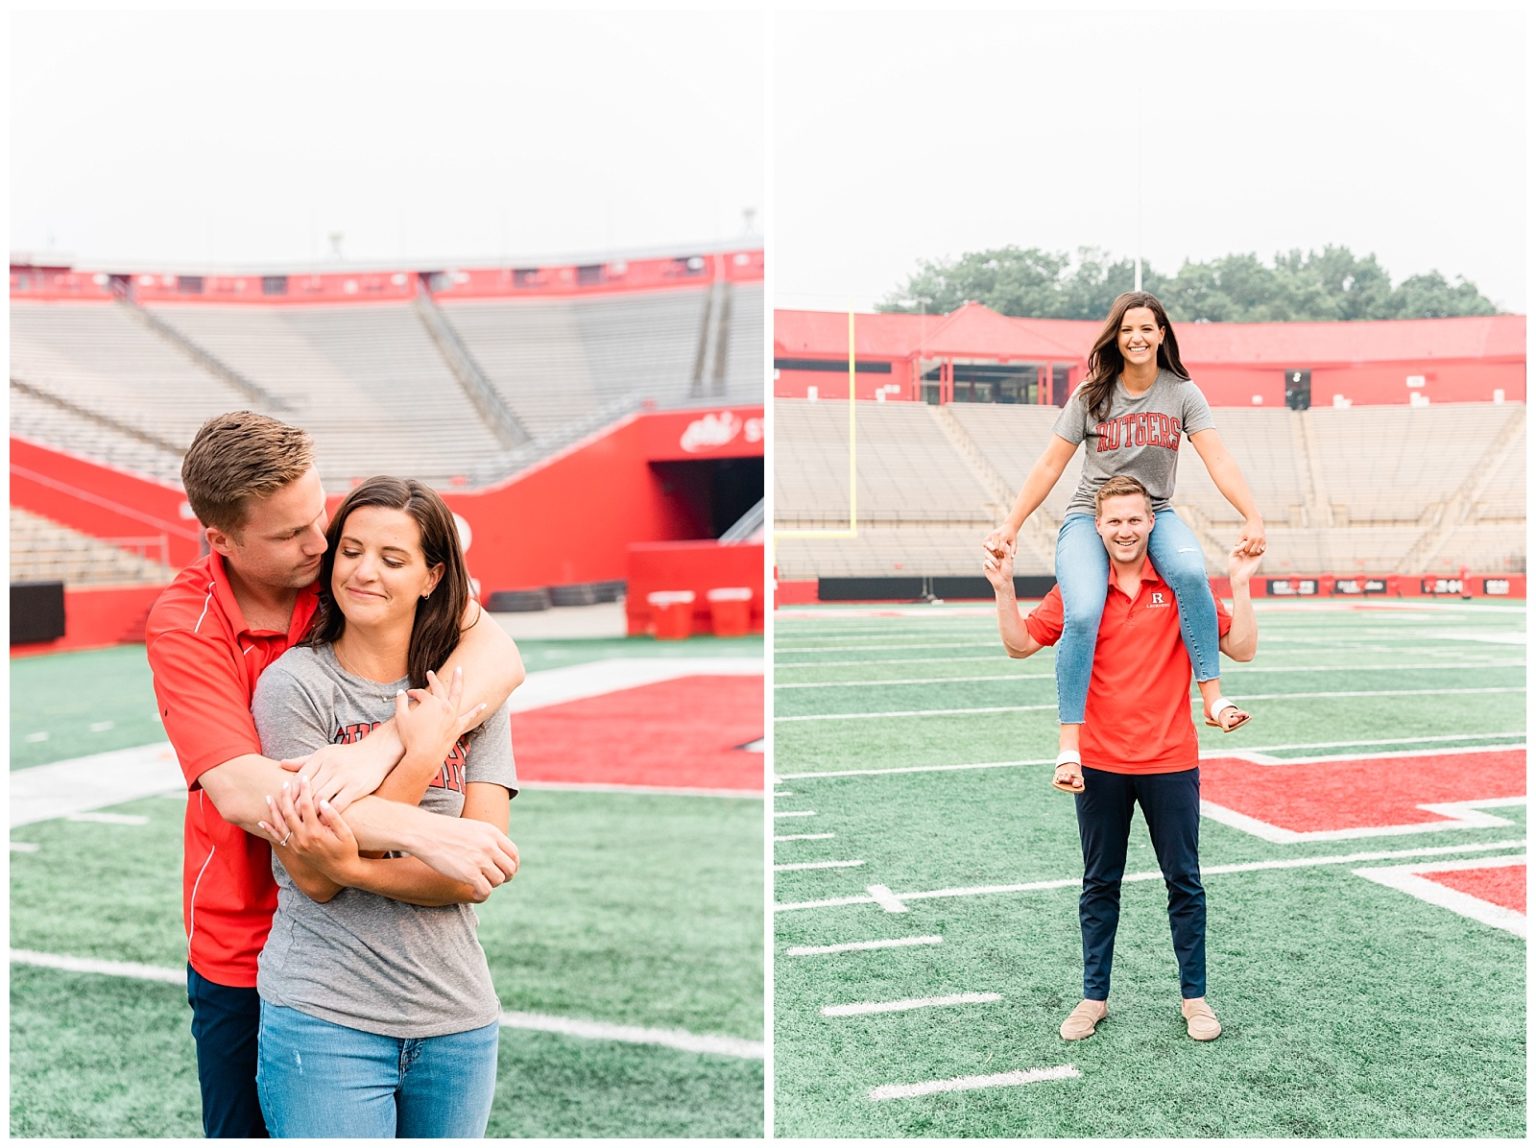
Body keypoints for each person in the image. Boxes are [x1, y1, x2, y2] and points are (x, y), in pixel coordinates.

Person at [146, 412, 525, 1138]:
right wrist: (424, 831)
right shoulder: (187, 623)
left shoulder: (346, 575)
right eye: (290, 535)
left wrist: (379, 747)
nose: (320, 546)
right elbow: (241, 787)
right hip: (247, 938)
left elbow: (497, 654)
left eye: (317, 516)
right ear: (221, 541)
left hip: (406, 966)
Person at [251, 475, 517, 1137]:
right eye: (352, 551)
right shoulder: (294, 686)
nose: (365, 571)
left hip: (458, 1018)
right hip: (324, 1015)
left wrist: (359, 866)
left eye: (392, 559)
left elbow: (475, 873)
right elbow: (311, 877)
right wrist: (420, 756)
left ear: (432, 577)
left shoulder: (469, 692)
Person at [984, 474, 1261, 1042]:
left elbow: (1241, 648)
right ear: (1098, 526)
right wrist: (1003, 588)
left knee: (1184, 882)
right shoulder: (1080, 589)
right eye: (1113, 521)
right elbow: (1019, 645)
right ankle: (1092, 999)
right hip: (1101, 763)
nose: (1125, 530)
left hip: (1170, 760)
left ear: (1151, 522)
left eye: (1135, 519)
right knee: (1099, 884)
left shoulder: (1182, 587)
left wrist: (1238, 582)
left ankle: (1195, 999)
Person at [983, 291, 1266, 794]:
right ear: (1116, 336)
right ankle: (1069, 745)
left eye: (1146, 329)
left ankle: (1214, 698)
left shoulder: (1182, 393)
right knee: (1086, 609)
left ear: (1162, 335)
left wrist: (1252, 515)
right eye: (1127, 329)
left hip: (1154, 510)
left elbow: (1218, 459)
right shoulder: (1092, 393)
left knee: (1190, 573)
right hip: (1092, 514)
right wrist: (1012, 524)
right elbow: (1051, 464)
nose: (1136, 338)